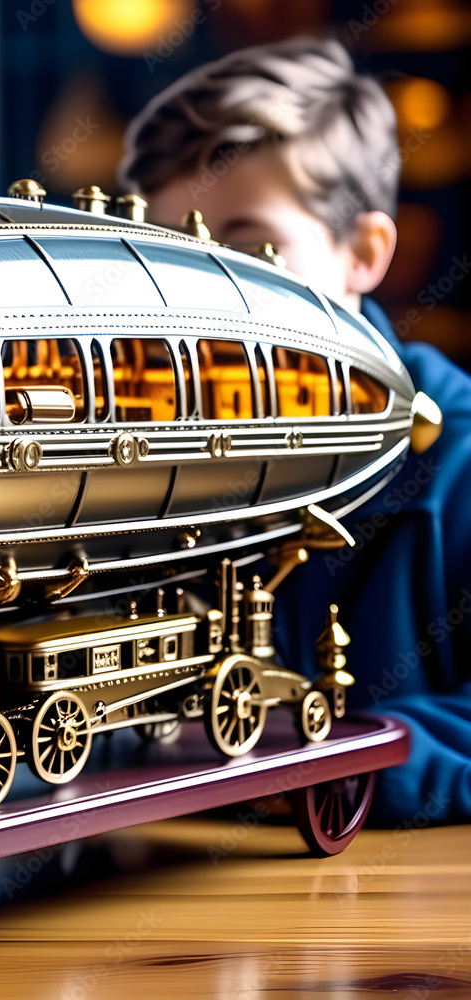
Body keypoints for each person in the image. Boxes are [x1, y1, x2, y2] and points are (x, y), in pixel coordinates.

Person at [118, 35, 471, 823]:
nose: (196, 303)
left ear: (365, 252)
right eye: (165, 258)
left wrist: (314, 763)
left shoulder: (462, 465)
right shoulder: (128, 464)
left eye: (250, 252)